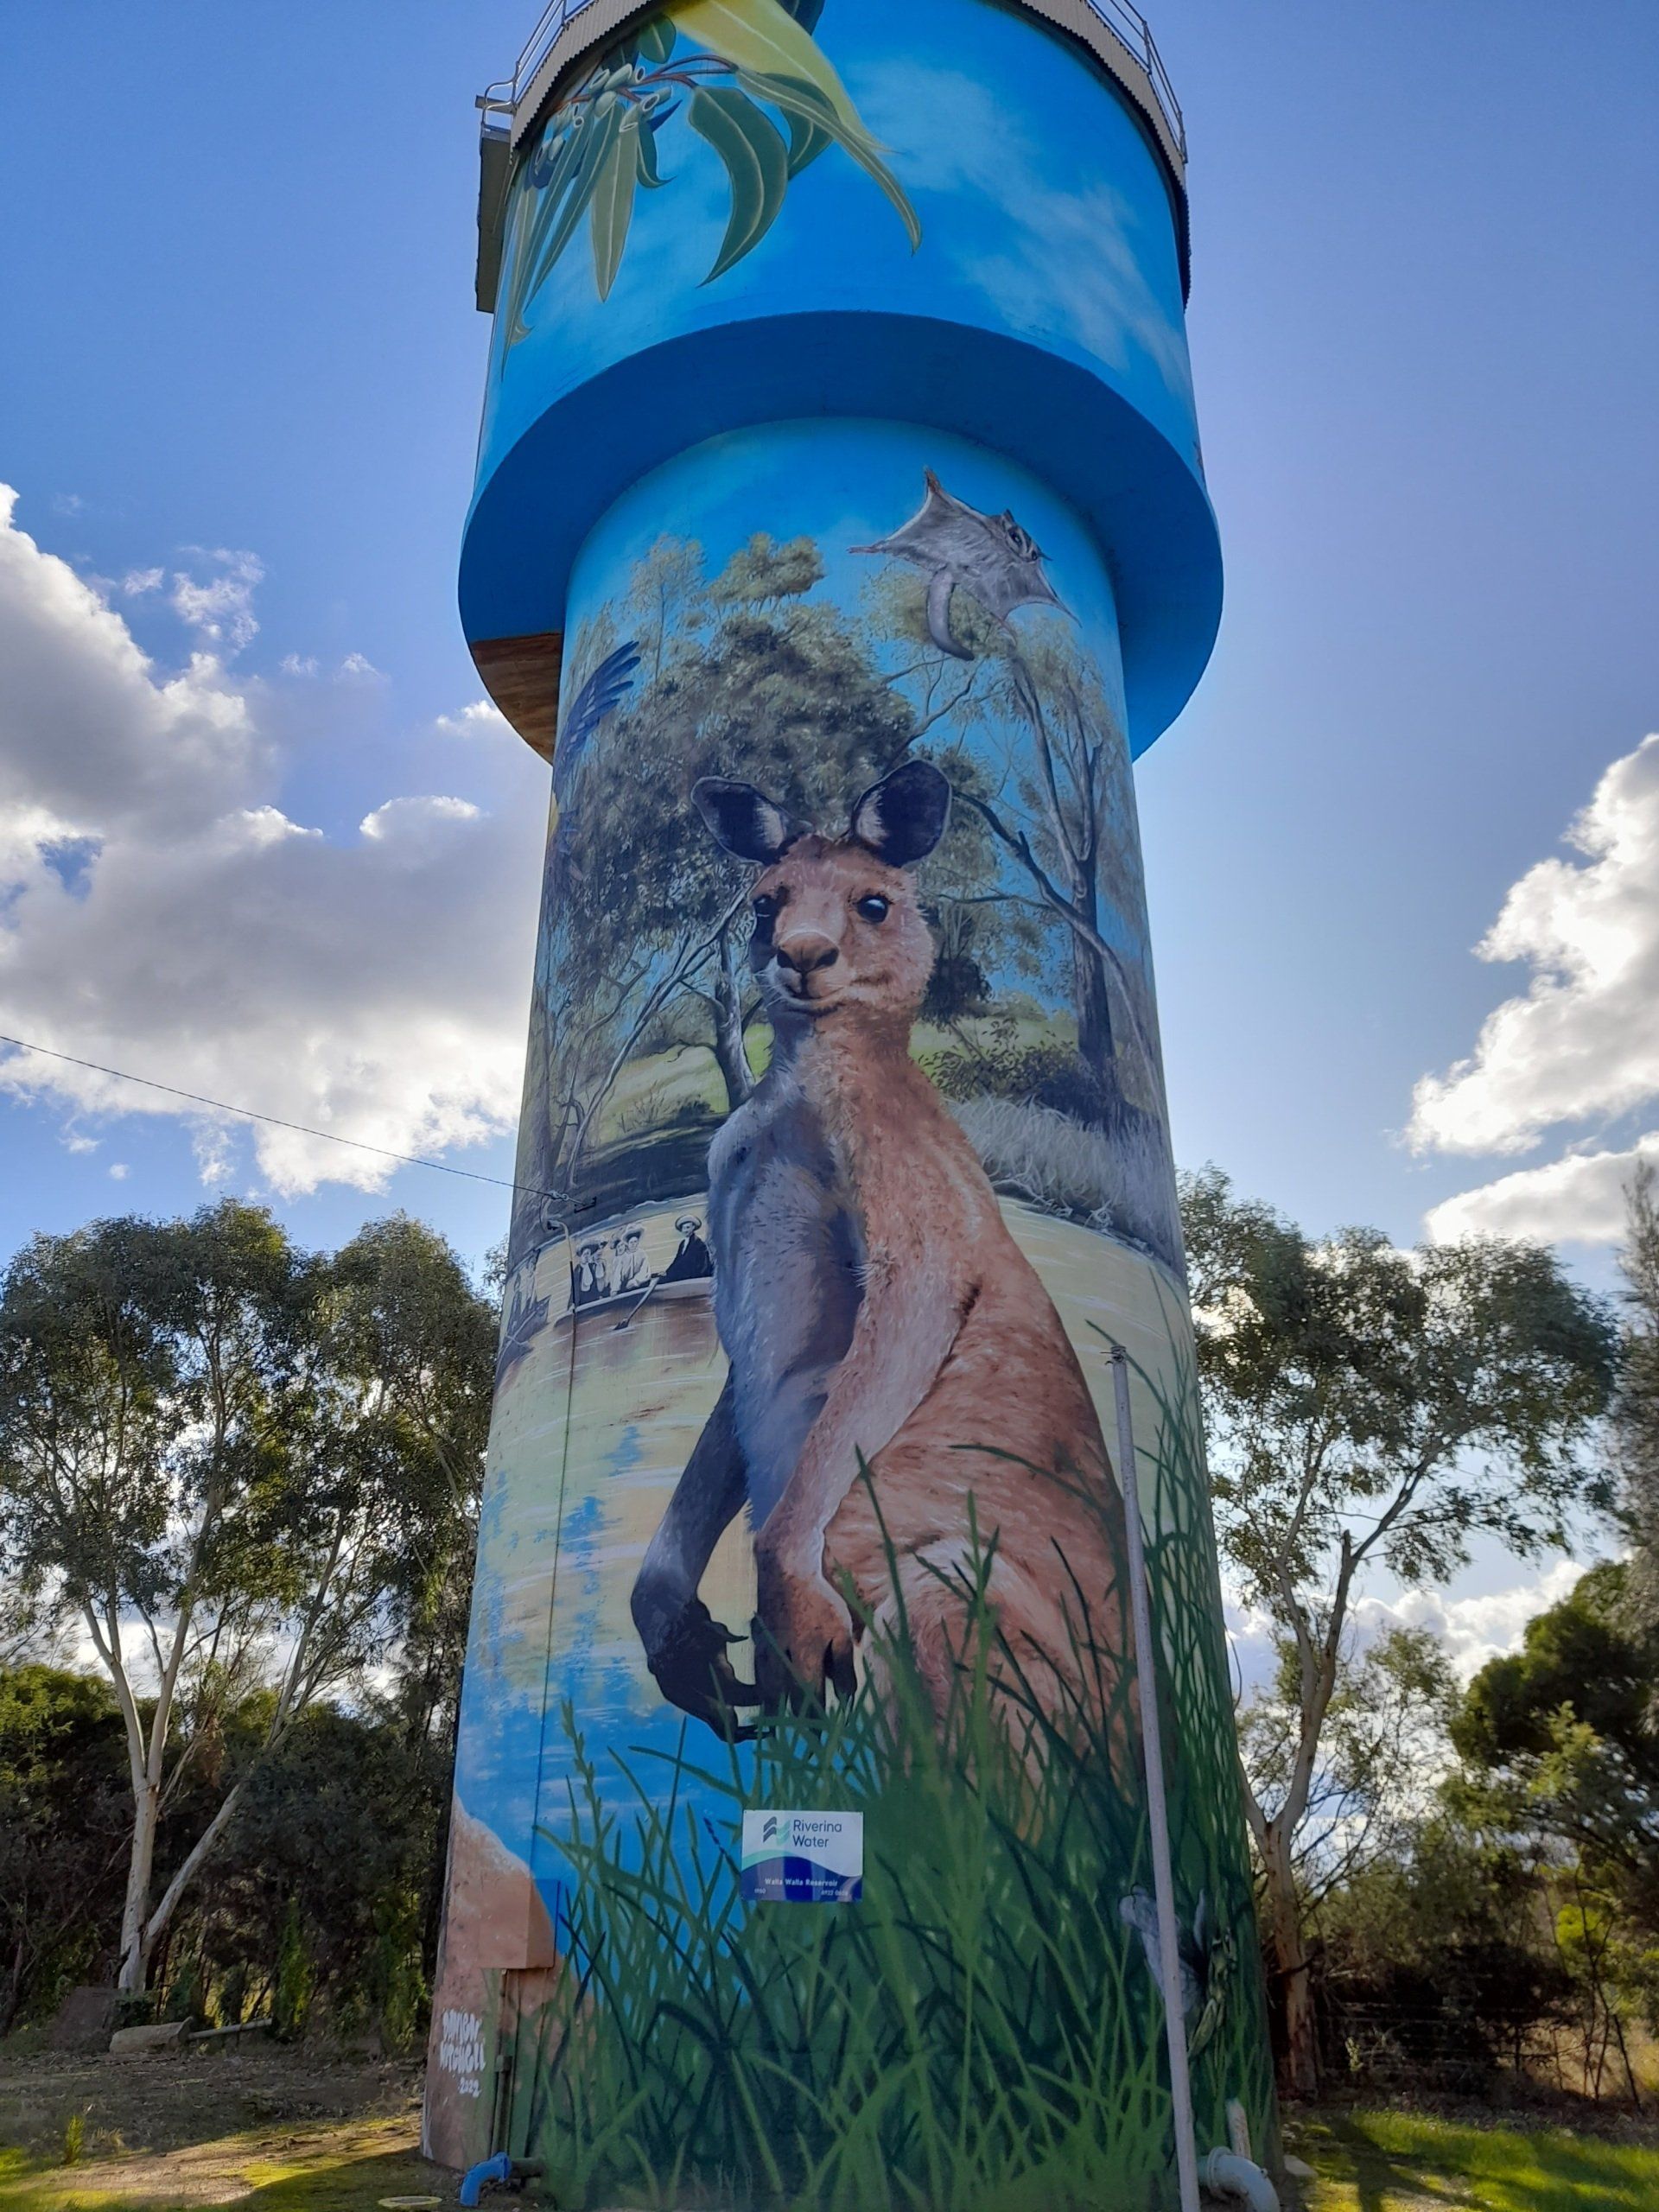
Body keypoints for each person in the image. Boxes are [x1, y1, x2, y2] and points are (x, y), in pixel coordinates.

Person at [661, 1213, 714, 1282]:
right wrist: (667, 1272)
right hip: (684, 1273)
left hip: (694, 1275)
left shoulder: (699, 1244)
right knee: (662, 1279)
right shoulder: (683, 1243)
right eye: (683, 1228)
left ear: (693, 1228)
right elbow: (677, 1260)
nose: (685, 1230)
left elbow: (702, 1265)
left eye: (688, 1227)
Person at [613, 1223, 652, 1294]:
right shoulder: (623, 1257)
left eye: (635, 1241)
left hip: (640, 1283)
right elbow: (617, 1274)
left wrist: (635, 1281)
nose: (633, 1244)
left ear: (638, 1242)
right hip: (625, 1287)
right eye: (631, 1242)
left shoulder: (642, 1254)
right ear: (628, 1243)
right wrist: (615, 1289)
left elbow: (644, 1270)